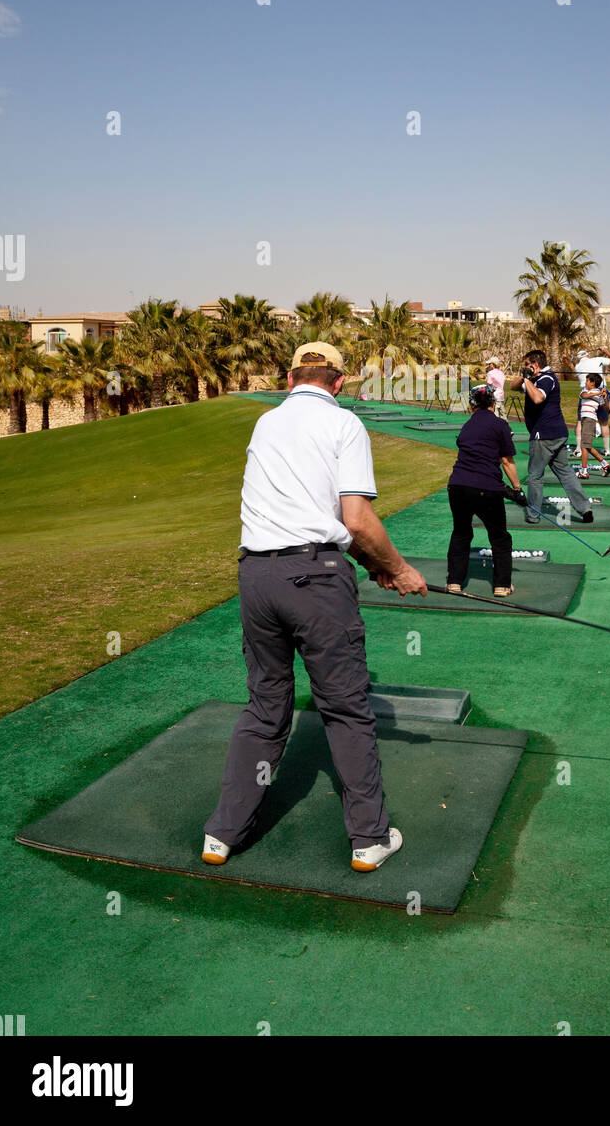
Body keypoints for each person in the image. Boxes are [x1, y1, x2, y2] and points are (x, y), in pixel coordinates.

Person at [203, 342, 428, 875]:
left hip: (255, 577)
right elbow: (356, 521)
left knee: (264, 708)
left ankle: (222, 833)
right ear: (340, 382)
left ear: (289, 377)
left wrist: (367, 561)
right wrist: (397, 569)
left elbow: (313, 514)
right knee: (346, 709)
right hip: (315, 580)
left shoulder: (266, 423)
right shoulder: (344, 425)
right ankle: (370, 839)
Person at [446, 383, 524, 597]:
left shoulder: (468, 425)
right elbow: (507, 462)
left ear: (472, 405)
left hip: (457, 486)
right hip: (486, 489)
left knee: (461, 533)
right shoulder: (500, 424)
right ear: (492, 402)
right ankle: (502, 585)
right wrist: (517, 489)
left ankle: (454, 582)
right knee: (499, 538)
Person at [506, 350, 594, 525]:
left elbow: (538, 398)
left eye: (526, 364)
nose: (524, 367)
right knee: (566, 472)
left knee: (535, 476)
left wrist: (528, 378)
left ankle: (533, 515)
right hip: (557, 434)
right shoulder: (535, 378)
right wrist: (524, 376)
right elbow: (512, 387)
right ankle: (585, 509)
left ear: (535, 364)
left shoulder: (546, 379)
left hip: (544, 436)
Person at [572, 348, 610, 459]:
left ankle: (578, 449)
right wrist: (605, 350)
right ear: (587, 355)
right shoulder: (598, 359)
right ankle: (607, 450)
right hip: (600, 392)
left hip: (586, 394)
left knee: (580, 421)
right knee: (604, 422)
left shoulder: (577, 367)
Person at [576, 373, 610, 480]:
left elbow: (606, 408)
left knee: (585, 446)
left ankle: (584, 471)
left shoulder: (599, 395)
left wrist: (606, 397)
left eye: (587, 381)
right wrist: (598, 392)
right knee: (586, 445)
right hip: (584, 420)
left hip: (590, 420)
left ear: (592, 383)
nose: (585, 382)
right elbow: (584, 396)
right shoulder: (585, 391)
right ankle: (605, 464)